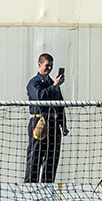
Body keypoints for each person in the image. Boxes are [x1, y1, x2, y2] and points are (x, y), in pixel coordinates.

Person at [25, 53, 66, 183]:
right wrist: (54, 86)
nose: (49, 68)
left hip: (53, 125)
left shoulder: (53, 84)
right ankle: (31, 184)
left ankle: (48, 184)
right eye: (47, 65)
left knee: (52, 157)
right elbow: (40, 97)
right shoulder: (34, 82)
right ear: (39, 65)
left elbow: (60, 105)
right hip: (40, 123)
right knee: (35, 156)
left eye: (51, 66)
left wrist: (63, 124)